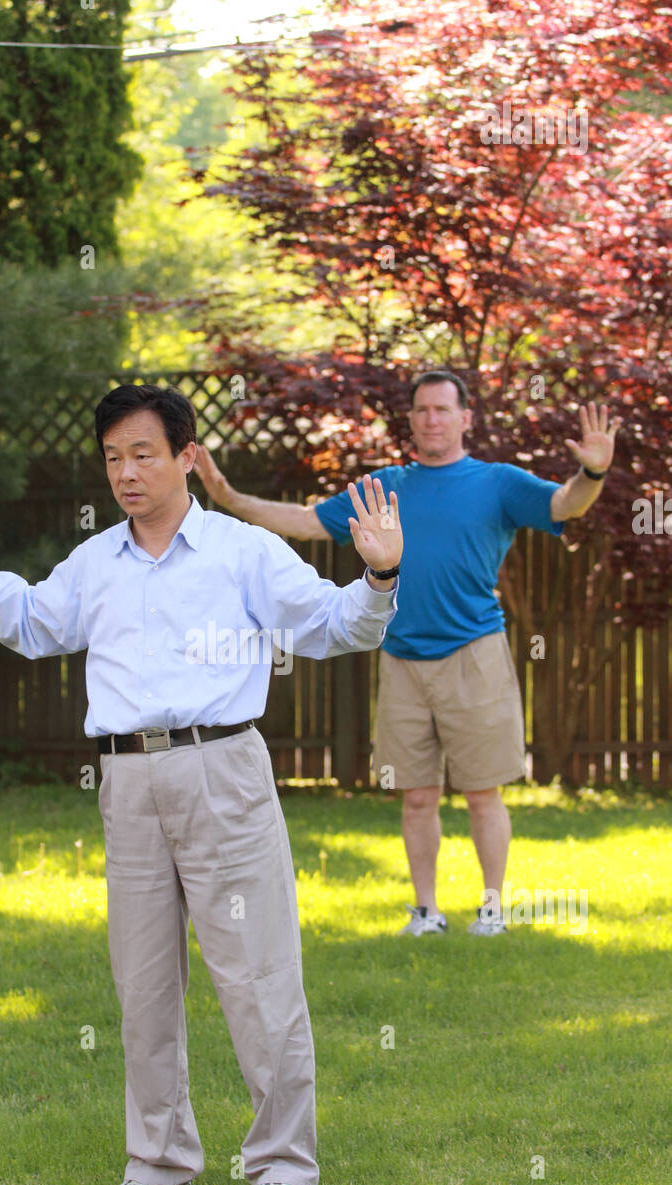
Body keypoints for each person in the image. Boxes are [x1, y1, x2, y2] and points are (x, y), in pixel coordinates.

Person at [0, 383, 403, 1185]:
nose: (127, 473)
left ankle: (284, 1166)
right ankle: (156, 1161)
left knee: (257, 974)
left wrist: (379, 572)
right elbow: (35, 624)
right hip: (127, 780)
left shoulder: (241, 553)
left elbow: (337, 628)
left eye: (144, 454)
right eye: (113, 458)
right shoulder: (96, 561)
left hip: (222, 771)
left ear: (188, 455)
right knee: (143, 983)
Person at [193, 371, 620, 937]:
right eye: (422, 410)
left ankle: (492, 909)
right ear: (413, 420)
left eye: (443, 409)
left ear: (466, 418)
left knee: (483, 792)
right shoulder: (385, 487)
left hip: (476, 654)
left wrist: (593, 470)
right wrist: (225, 496)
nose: (432, 419)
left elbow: (568, 505)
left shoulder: (497, 484)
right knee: (417, 795)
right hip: (400, 657)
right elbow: (304, 522)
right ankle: (427, 912)